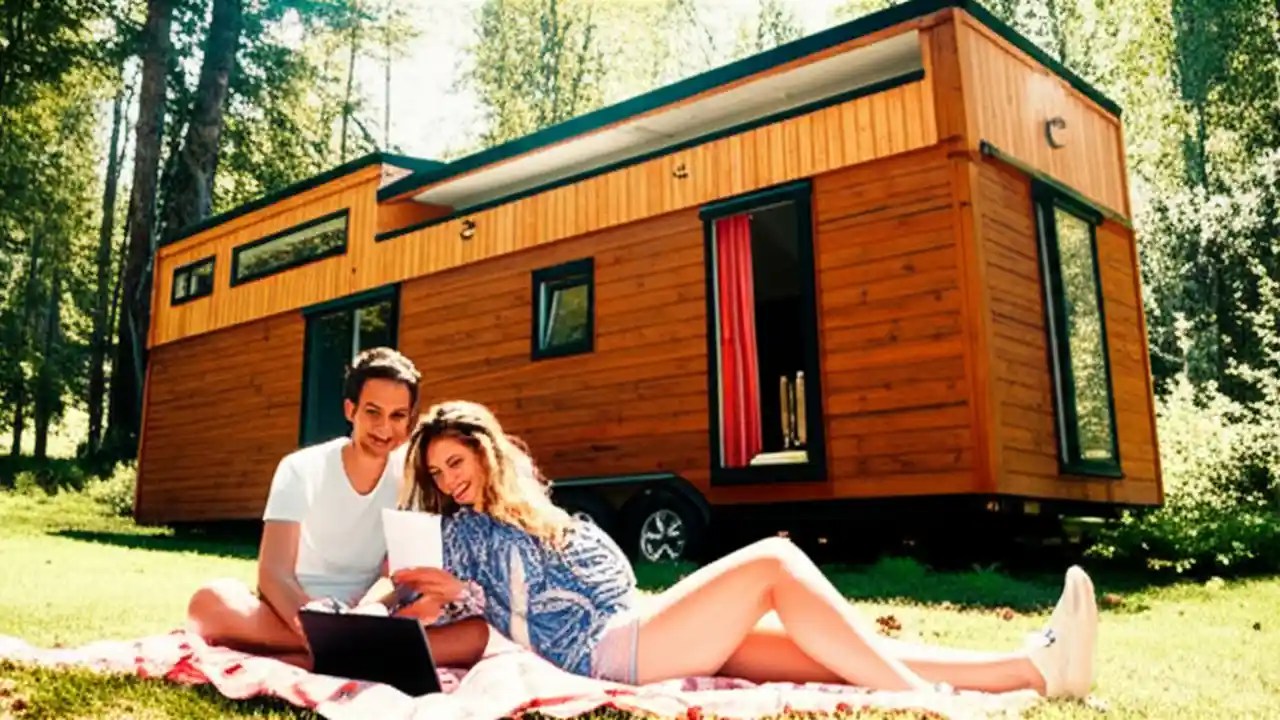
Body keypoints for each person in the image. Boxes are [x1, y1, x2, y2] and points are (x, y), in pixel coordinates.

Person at [393, 399, 1099, 698]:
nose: (449, 482)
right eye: (437, 474)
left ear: (486, 454)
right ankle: (924, 702)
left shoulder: (529, 511)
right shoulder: (459, 536)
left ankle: (1034, 670)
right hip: (605, 652)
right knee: (774, 561)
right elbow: (426, 614)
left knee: (842, 655)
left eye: (456, 464)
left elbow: (610, 575)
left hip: (632, 623)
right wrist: (432, 597)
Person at [185, 349, 489, 669]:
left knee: (474, 635)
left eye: (397, 416)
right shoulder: (300, 468)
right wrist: (314, 624)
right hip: (294, 615)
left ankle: (314, 658)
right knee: (210, 601)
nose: (384, 428)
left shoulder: (410, 479)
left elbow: (395, 576)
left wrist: (368, 613)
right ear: (350, 409)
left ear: (410, 420)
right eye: (373, 412)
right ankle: (341, 654)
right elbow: (273, 574)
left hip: (368, 618)